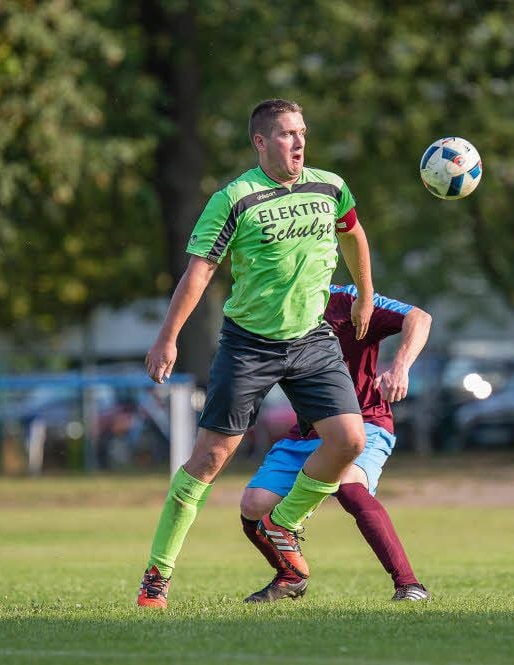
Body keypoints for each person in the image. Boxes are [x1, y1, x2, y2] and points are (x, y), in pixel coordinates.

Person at [137, 98, 375, 608]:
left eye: (303, 132)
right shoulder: (233, 199)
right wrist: (167, 336)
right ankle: (157, 575)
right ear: (261, 142)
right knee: (209, 458)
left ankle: (281, 522)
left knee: (350, 440)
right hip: (249, 343)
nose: (299, 142)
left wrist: (367, 295)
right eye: (287, 134)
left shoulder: (330, 186)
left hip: (311, 339)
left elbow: (353, 234)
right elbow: (199, 271)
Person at [240, 284, 432, 603]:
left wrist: (400, 368)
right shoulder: (273, 305)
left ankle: (409, 585)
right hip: (307, 430)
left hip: (364, 421)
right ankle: (290, 575)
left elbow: (419, 317)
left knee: (347, 481)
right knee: (254, 505)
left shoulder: (348, 299)